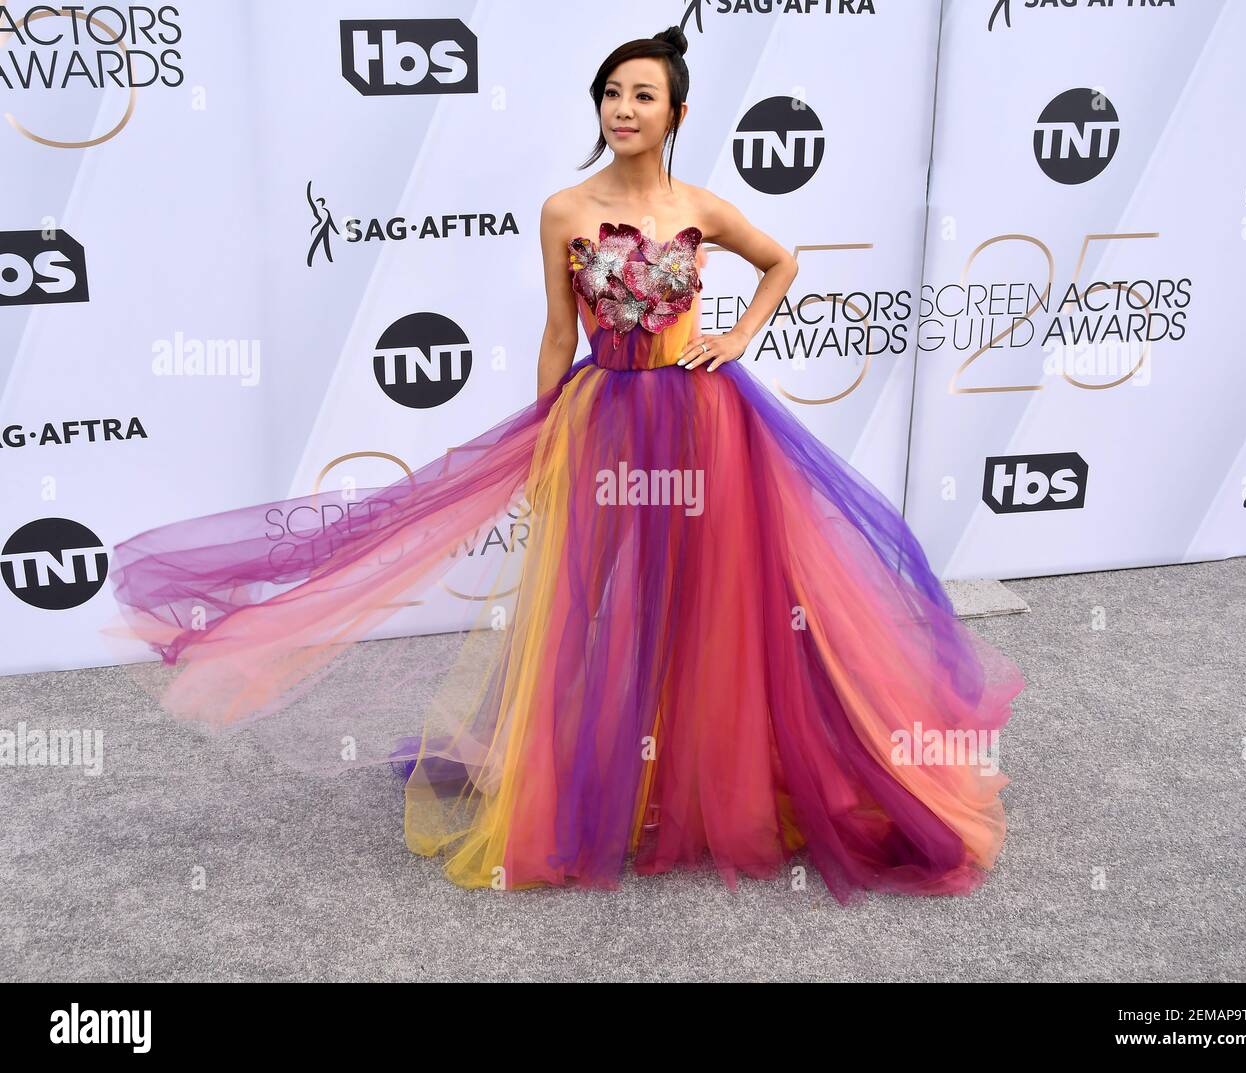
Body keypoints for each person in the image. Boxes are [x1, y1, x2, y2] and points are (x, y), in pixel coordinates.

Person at [109, 26, 1025, 906]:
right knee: (594, 601)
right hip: (605, 417)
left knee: (715, 603)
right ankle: (604, 784)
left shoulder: (699, 209)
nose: (623, 108)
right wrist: (551, 436)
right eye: (612, 93)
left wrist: (737, 335)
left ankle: (706, 781)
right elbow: (556, 332)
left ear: (677, 112)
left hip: (707, 421)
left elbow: (781, 260)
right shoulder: (565, 208)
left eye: (643, 96)